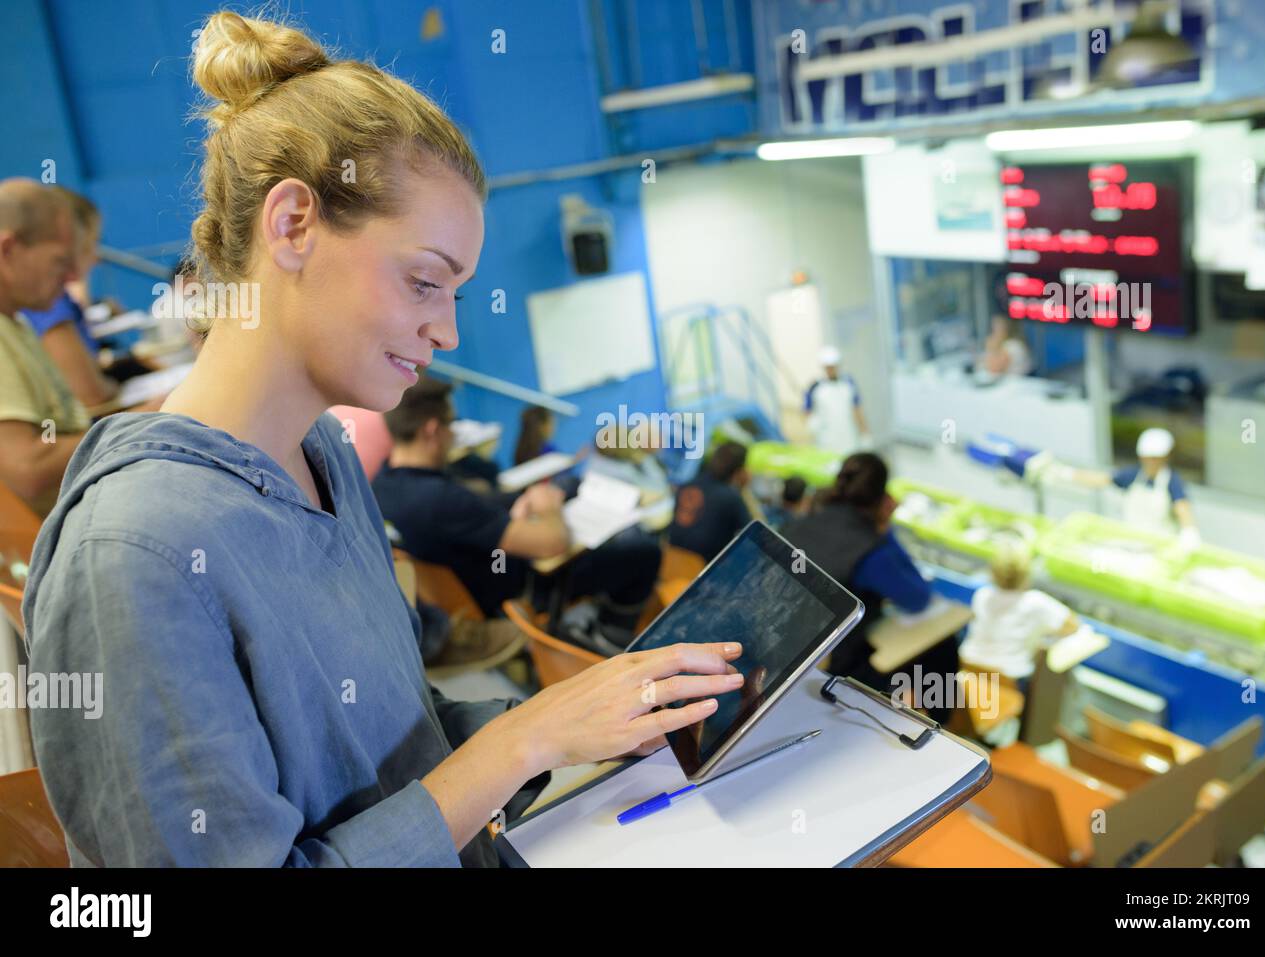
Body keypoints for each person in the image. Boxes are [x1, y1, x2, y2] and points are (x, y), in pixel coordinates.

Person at [23, 12, 743, 868]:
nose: (447, 332)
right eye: (423, 281)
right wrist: (521, 743)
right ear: (292, 225)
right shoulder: (132, 555)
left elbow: (394, 740)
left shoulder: (322, 454)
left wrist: (577, 721)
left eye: (456, 295)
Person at [373, 377, 662, 652]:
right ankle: (611, 637)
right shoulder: (439, 499)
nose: (455, 435)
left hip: (467, 586)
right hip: (521, 589)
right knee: (644, 551)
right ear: (432, 430)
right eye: (452, 425)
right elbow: (552, 542)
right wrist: (549, 508)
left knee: (584, 502)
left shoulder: (383, 485)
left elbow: (475, 510)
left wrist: (521, 502)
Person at [782, 453, 960, 723]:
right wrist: (885, 529)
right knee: (943, 647)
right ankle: (940, 726)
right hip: (833, 665)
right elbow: (918, 597)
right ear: (881, 496)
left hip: (786, 645)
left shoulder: (796, 525)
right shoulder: (870, 551)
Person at [0, 179, 90, 515]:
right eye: (59, 261)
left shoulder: (17, 323)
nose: (71, 277)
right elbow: (26, 468)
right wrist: (140, 421)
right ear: (8, 250)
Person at [20, 186, 121, 407]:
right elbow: (90, 395)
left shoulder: (54, 298)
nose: (94, 257)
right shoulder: (46, 301)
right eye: (89, 245)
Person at [1032, 426, 1200, 547]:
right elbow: (1100, 479)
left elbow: (1182, 507)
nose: (1150, 462)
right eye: (1147, 457)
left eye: (1155, 458)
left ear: (1165, 457)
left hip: (1159, 546)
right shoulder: (1133, 476)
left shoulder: (1172, 481)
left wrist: (1189, 531)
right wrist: (1064, 473)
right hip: (1130, 541)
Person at [959, 543, 1079, 694]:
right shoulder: (1035, 602)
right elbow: (1073, 625)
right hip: (1009, 680)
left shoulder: (982, 595)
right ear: (1027, 574)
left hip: (968, 670)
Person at [669, 441, 753, 562]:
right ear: (739, 470)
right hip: (702, 569)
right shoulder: (731, 498)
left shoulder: (687, 485)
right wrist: (743, 489)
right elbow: (754, 532)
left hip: (670, 561)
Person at [804, 345, 869, 454]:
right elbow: (807, 409)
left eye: (833, 366)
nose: (831, 370)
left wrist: (865, 433)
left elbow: (857, 409)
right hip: (826, 438)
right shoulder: (815, 386)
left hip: (848, 436)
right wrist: (812, 423)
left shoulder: (848, 383)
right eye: (828, 367)